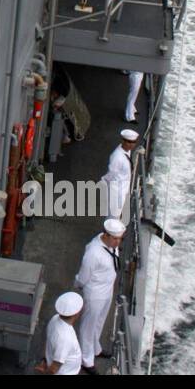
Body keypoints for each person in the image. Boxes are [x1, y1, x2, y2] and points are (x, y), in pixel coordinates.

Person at [74, 217, 126, 373]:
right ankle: (86, 360)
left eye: (120, 239)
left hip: (107, 289)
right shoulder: (93, 252)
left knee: (100, 321)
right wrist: (78, 285)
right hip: (95, 293)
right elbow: (84, 276)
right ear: (107, 235)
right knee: (88, 326)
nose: (118, 242)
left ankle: (96, 349)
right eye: (116, 239)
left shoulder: (110, 245)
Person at [34, 291, 84, 375]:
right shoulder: (65, 339)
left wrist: (45, 360)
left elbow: (49, 342)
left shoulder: (55, 318)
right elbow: (54, 369)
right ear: (76, 314)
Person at [103, 128, 139, 221]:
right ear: (123, 140)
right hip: (116, 191)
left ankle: (113, 233)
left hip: (123, 189)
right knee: (113, 216)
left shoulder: (127, 151)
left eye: (134, 142)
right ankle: (110, 233)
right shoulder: (117, 157)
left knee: (117, 215)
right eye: (129, 142)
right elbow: (110, 175)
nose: (132, 145)